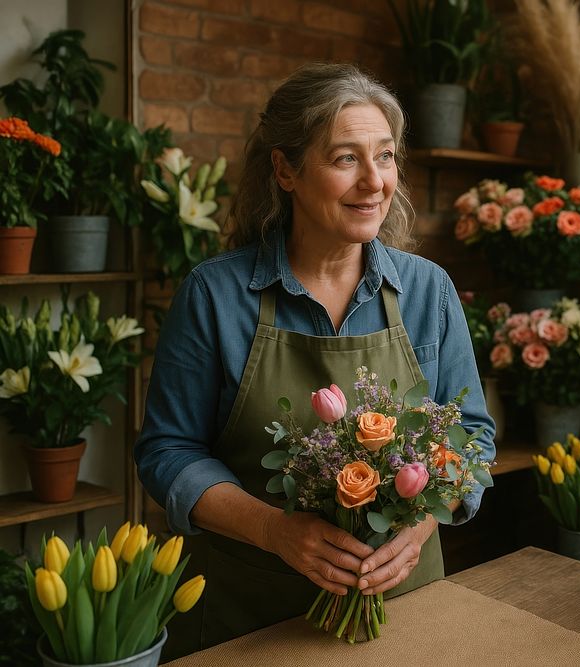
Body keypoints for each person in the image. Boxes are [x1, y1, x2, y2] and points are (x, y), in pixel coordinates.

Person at [134, 63, 495, 654]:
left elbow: (472, 439)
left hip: (405, 606)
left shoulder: (430, 291)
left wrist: (422, 523)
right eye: (345, 158)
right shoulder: (215, 296)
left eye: (384, 156)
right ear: (285, 170)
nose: (374, 182)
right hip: (254, 614)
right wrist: (275, 531)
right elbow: (167, 452)